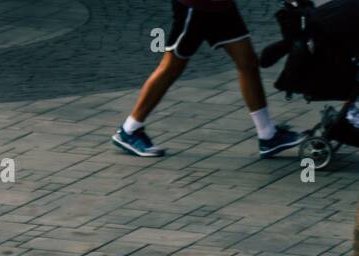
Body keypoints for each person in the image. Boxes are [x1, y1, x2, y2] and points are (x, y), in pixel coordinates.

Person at [112, 0, 306, 159]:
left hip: (221, 7)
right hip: (196, 8)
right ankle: (129, 130)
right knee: (171, 67)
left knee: (247, 63)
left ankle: (267, 135)